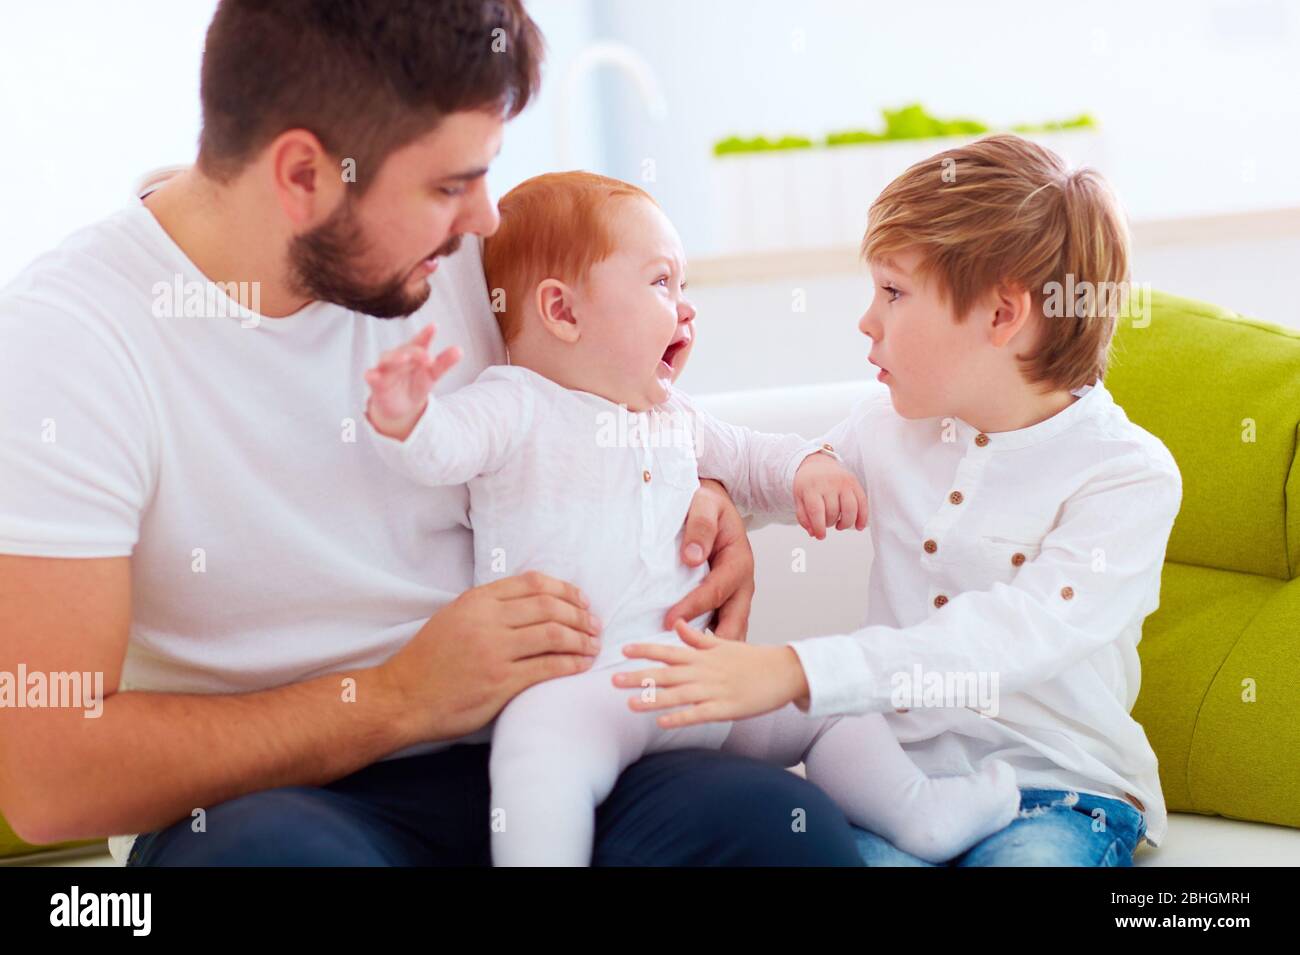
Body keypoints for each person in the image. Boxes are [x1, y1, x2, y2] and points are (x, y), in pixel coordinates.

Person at [0, 0, 862, 867]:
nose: (485, 220)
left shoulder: (468, 268)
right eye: (450, 186)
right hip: (274, 804)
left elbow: (619, 418)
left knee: (781, 834)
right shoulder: (72, 342)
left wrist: (703, 501)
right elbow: (48, 778)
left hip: (556, 740)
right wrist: (397, 698)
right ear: (304, 174)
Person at [362, 171, 1020, 865]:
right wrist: (407, 417)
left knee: (829, 700)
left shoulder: (673, 417)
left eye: (685, 287)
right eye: (661, 284)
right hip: (588, 692)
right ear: (562, 311)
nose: (686, 309)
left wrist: (808, 470)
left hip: (700, 682)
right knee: (536, 736)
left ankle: (920, 812)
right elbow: (442, 450)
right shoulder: (517, 405)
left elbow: (751, 455)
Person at [618, 134, 1182, 867]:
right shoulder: (887, 427)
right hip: (898, 788)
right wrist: (715, 491)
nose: (866, 320)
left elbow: (1003, 638)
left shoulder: (1125, 475)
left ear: (1002, 315)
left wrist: (797, 669)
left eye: (893, 291)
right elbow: (781, 477)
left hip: (1057, 792)